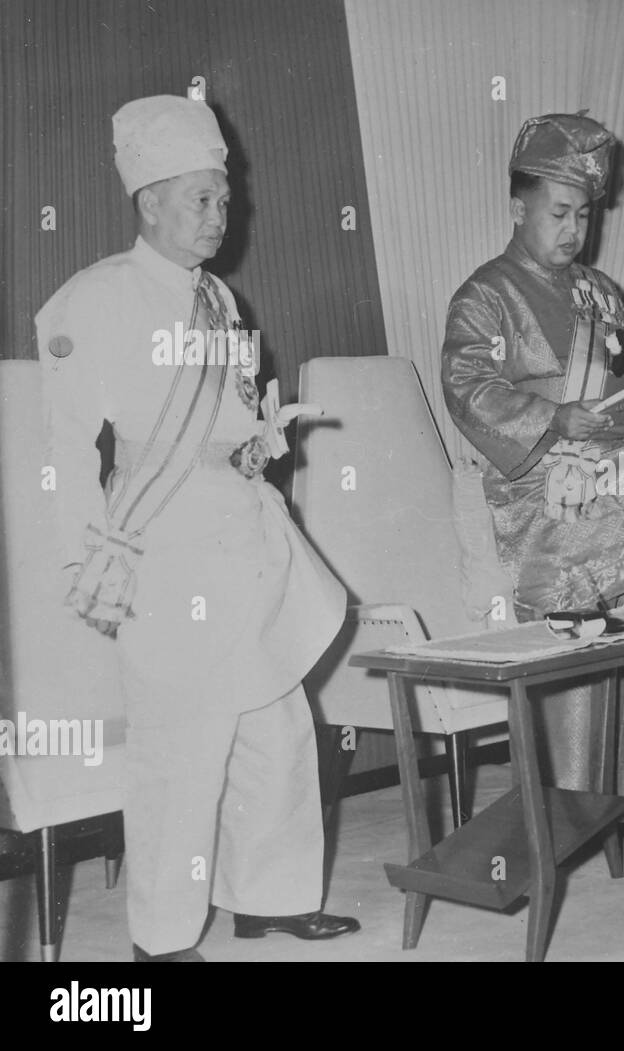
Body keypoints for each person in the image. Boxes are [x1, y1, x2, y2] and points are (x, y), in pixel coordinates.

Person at [40, 95, 359, 961]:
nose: (224, 215)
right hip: (163, 545)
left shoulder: (220, 299)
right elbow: (63, 447)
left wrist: (259, 444)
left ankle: (271, 895)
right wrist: (90, 557)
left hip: (242, 531)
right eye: (204, 198)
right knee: (182, 748)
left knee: (278, 724)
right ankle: (165, 935)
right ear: (149, 202)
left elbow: (225, 420)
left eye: (226, 198)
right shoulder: (97, 297)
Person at [440, 112, 624, 814]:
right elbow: (468, 387)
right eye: (558, 212)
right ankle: (571, 804)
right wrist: (554, 418)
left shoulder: (603, 294)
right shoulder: (486, 295)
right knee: (579, 630)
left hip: (623, 488)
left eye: (583, 215)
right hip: (544, 498)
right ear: (517, 206)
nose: (572, 230)